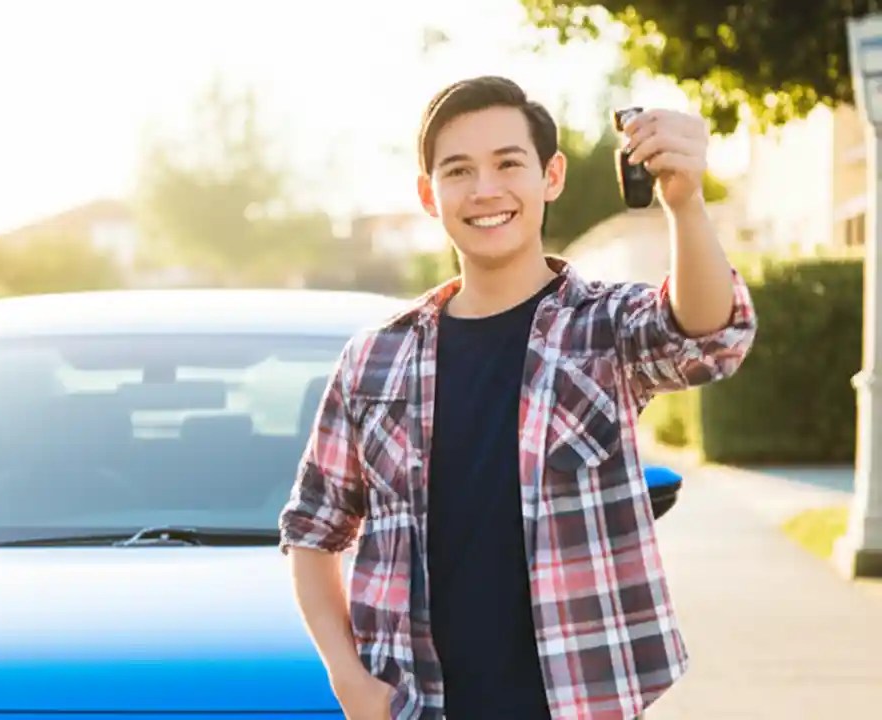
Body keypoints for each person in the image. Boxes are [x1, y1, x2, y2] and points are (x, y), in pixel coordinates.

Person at [278, 75, 758, 720]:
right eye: (459, 170)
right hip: (420, 707)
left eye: (509, 163)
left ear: (550, 176)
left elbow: (706, 335)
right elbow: (312, 528)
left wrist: (685, 202)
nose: (485, 190)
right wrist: (349, 683)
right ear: (429, 194)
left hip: (579, 705)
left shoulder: (601, 328)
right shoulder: (375, 358)